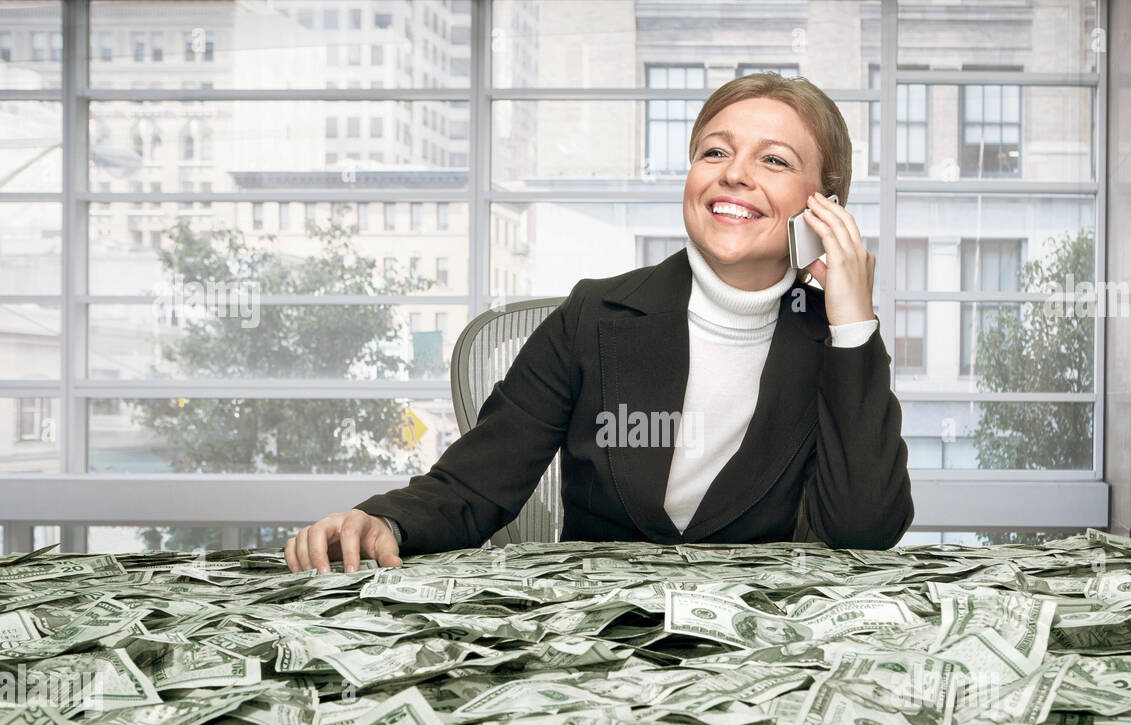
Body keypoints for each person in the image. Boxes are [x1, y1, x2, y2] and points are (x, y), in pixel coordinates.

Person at [285, 72, 913, 573]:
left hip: (755, 653)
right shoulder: (593, 316)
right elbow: (474, 485)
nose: (734, 173)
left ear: (825, 202)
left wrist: (854, 323)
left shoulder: (831, 340)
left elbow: (862, 530)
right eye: (714, 151)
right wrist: (382, 523)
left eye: (774, 160)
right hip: (599, 642)